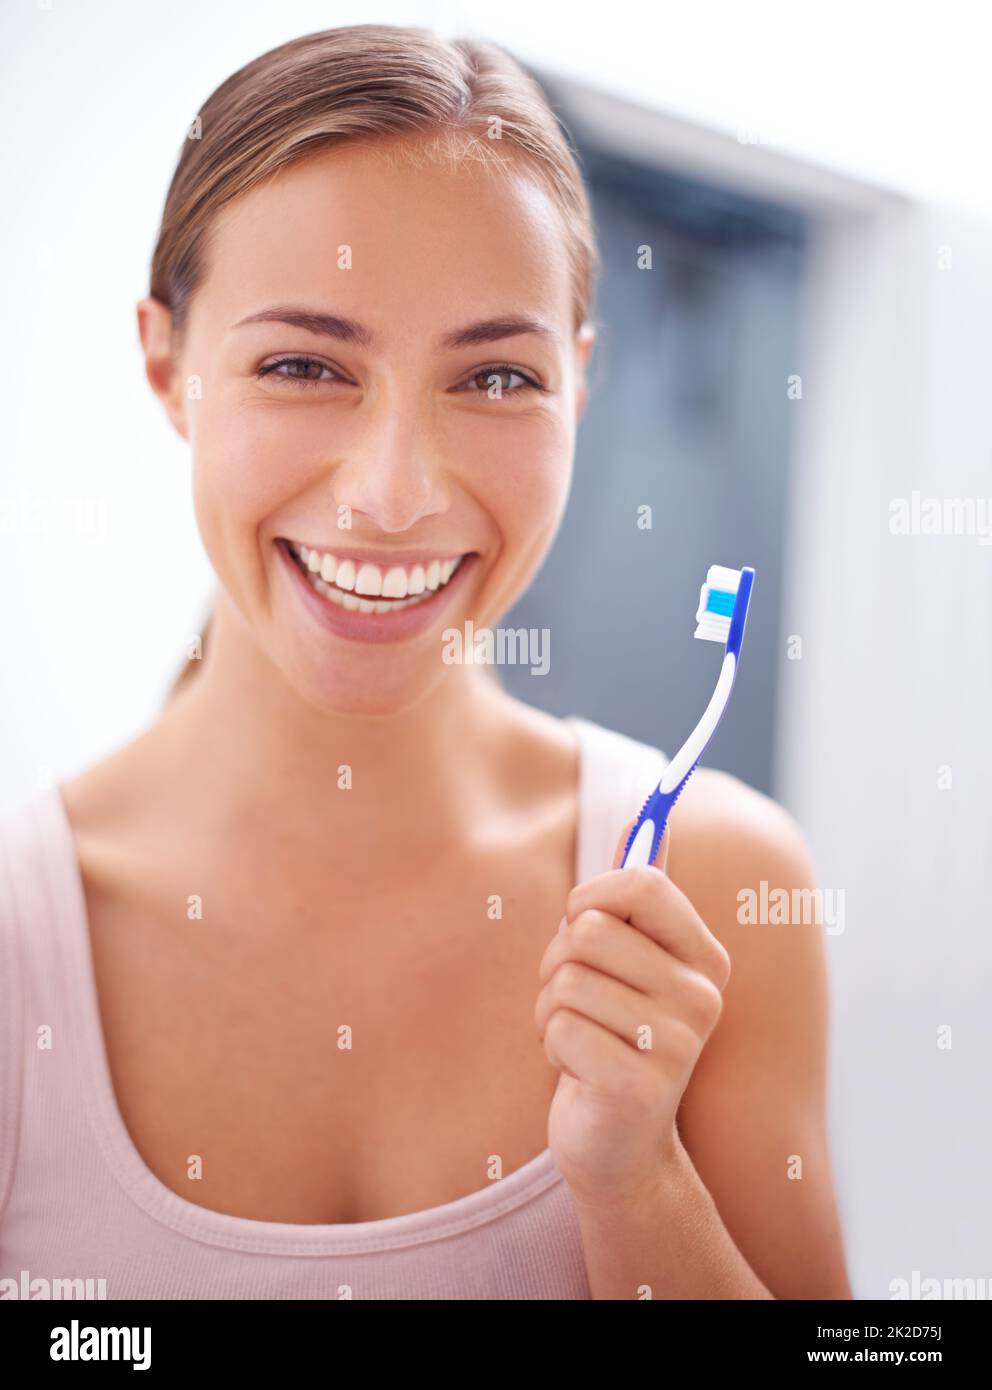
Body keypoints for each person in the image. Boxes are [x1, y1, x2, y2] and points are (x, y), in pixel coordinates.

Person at [0, 23, 851, 1301]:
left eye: (495, 377)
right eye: (302, 364)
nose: (393, 496)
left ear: (576, 385)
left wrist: (635, 1182)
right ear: (167, 364)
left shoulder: (713, 889)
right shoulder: (20, 947)